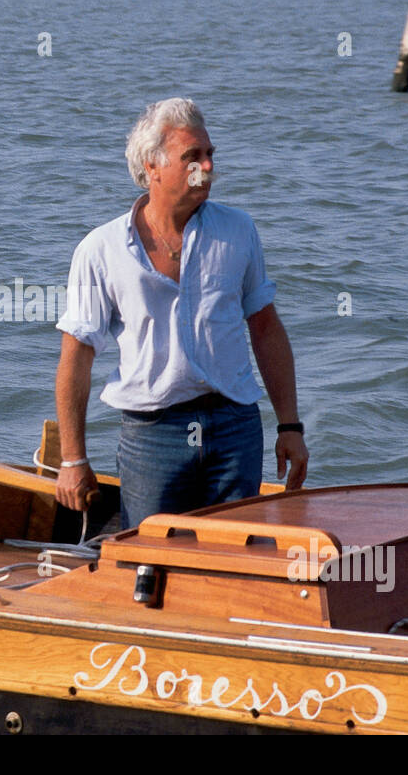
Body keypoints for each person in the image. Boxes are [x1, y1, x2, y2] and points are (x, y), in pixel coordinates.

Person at [54, 98, 308, 528]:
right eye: (193, 157)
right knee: (149, 565)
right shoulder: (101, 249)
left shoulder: (238, 230)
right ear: (151, 167)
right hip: (153, 433)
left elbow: (265, 330)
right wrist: (73, 458)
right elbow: (77, 357)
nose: (207, 167)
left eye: (210, 155)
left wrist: (291, 428)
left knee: (234, 560)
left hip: (235, 427)